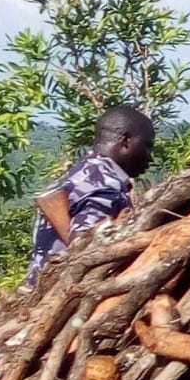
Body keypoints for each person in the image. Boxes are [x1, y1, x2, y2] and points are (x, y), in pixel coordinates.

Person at [27, 105, 154, 284]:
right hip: (67, 291)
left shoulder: (83, 174)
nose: (150, 157)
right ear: (125, 140)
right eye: (147, 147)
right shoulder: (103, 183)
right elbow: (86, 244)